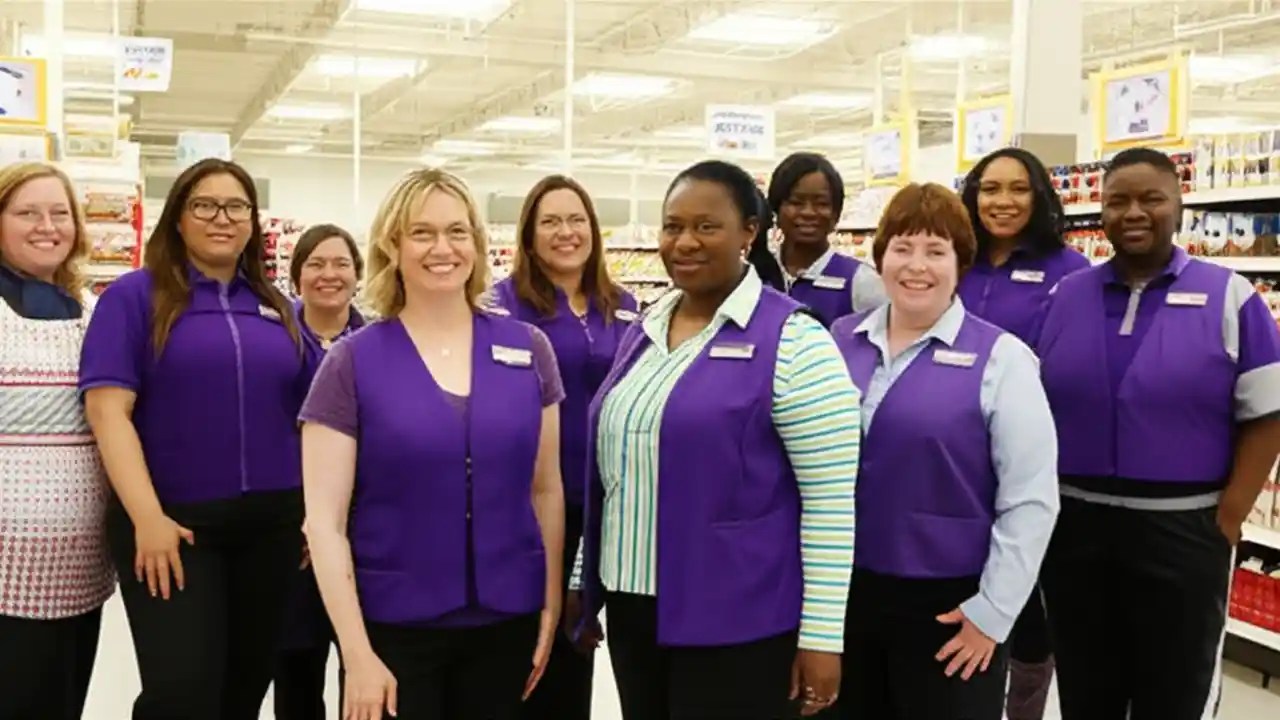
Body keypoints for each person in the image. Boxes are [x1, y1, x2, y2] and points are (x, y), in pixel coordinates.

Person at [579, 159, 863, 719]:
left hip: (739, 618)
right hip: (635, 609)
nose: (684, 242)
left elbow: (830, 504)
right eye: (673, 226)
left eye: (706, 226)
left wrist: (822, 637)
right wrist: (582, 578)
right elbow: (617, 474)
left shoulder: (795, 340)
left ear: (749, 233)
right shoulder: (644, 330)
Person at [300, 168, 565, 720]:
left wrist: (549, 604)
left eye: (457, 231)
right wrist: (356, 654)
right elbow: (324, 524)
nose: (442, 249)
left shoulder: (528, 349)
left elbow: (545, 489)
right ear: (392, 246)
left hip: (507, 620)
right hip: (393, 630)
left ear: (477, 243)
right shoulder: (352, 362)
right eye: (421, 233)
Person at [1035, 147, 1280, 720]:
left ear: (1179, 205)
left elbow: (1268, 414)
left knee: (1176, 691)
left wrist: (1230, 515)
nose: (1133, 213)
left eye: (1152, 198)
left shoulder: (1231, 297)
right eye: (1117, 201)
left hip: (1184, 529)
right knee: (1084, 684)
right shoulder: (1066, 296)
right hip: (1075, 528)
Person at [80, 158, 311, 720]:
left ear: (252, 221)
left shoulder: (277, 307)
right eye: (204, 205)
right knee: (182, 693)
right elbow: (108, 412)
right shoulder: (134, 298)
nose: (221, 218)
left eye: (236, 207)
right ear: (178, 218)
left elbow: (312, 417)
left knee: (244, 689)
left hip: (273, 527)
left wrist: (315, 515)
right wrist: (147, 518)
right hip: (174, 527)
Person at [829, 182, 1060, 720]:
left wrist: (993, 613)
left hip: (951, 609)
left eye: (936, 251)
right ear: (880, 257)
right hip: (843, 596)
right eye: (902, 248)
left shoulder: (1002, 360)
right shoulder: (838, 341)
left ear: (961, 264)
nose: (917, 266)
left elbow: (1030, 499)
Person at [485, 174, 636, 720]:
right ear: (528, 235)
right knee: (524, 645)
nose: (565, 232)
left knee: (577, 645)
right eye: (550, 221)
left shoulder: (623, 306)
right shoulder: (500, 307)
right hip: (525, 504)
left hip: (604, 506)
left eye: (576, 220)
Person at [957, 146, 1089, 720]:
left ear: (1040, 197)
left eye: (1018, 188)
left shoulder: (1070, 272)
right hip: (954, 457)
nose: (1002, 201)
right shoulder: (954, 258)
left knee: (1032, 599)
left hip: (1031, 457)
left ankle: (1025, 708)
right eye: (990, 188)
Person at [0, 162, 114, 720]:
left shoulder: (93, 312)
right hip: (6, 565)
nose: (47, 227)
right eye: (27, 213)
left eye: (60, 213)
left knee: (63, 701)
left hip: (80, 564)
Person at [274, 223, 366, 720]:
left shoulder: (376, 344)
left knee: (363, 672)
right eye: (316, 264)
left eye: (341, 264)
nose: (329, 274)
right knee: (297, 671)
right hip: (291, 535)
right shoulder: (275, 340)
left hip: (360, 533)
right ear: (296, 276)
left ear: (358, 274)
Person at [767, 151, 886, 326]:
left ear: (836, 214)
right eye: (796, 202)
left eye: (821, 204)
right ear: (776, 208)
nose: (808, 212)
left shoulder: (861, 282)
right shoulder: (756, 274)